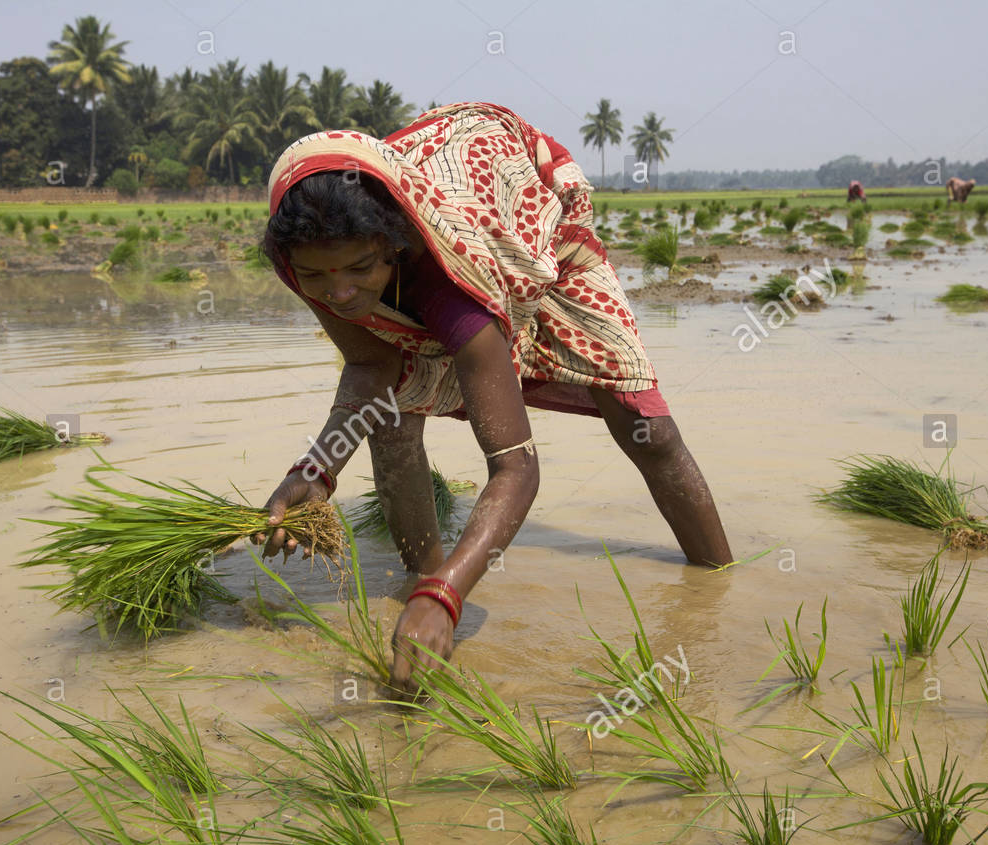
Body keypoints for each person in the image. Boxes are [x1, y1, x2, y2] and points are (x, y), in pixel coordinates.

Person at [254, 102, 733, 692]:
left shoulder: (452, 283)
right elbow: (371, 361)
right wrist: (317, 469)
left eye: (358, 269)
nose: (341, 293)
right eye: (318, 277)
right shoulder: (307, 256)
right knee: (393, 420)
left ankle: (720, 579)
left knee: (644, 424)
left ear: (393, 247)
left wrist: (449, 597)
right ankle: (419, 588)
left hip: (535, 236)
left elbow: (517, 468)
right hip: (439, 216)